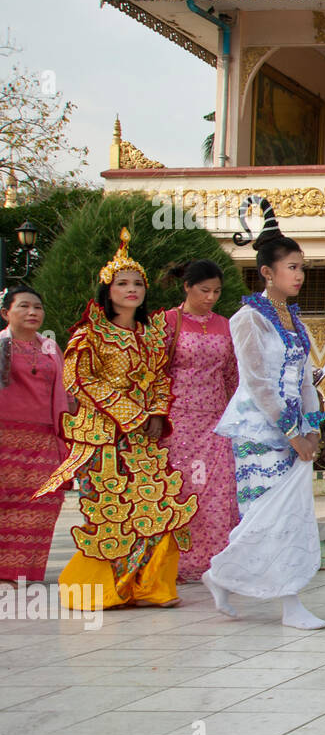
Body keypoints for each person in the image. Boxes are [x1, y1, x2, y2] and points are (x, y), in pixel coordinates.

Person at [33, 229, 196, 610]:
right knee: (110, 510)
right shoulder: (90, 335)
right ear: (108, 291)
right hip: (102, 435)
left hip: (142, 438)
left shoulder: (151, 336)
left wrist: (156, 413)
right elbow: (79, 379)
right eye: (122, 283)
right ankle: (103, 588)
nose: (132, 289)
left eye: (138, 282)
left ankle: (147, 585)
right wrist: (129, 412)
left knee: (152, 507)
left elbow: (159, 379)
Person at [202, 199, 325, 630]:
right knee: (265, 514)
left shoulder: (298, 323)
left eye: (302, 267)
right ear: (268, 273)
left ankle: (222, 575)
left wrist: (313, 429)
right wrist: (292, 431)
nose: (299, 275)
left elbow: (306, 381)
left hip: (295, 430)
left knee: (290, 514)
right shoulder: (247, 319)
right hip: (259, 429)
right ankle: (285, 602)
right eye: (292, 267)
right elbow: (257, 382)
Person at [160, 260, 239, 582]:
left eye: (217, 291)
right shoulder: (167, 322)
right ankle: (176, 564)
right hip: (177, 422)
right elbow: (155, 372)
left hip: (217, 421)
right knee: (180, 489)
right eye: (204, 290)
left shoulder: (226, 325)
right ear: (187, 287)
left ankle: (217, 562)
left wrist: (237, 416)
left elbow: (232, 375)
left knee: (219, 490)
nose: (211, 297)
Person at [0, 287, 75, 584]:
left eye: (38, 307)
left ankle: (24, 570)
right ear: (7, 313)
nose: (33, 312)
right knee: (5, 503)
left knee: (43, 502)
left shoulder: (49, 348)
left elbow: (66, 392)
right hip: (5, 436)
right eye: (24, 307)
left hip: (44, 436)